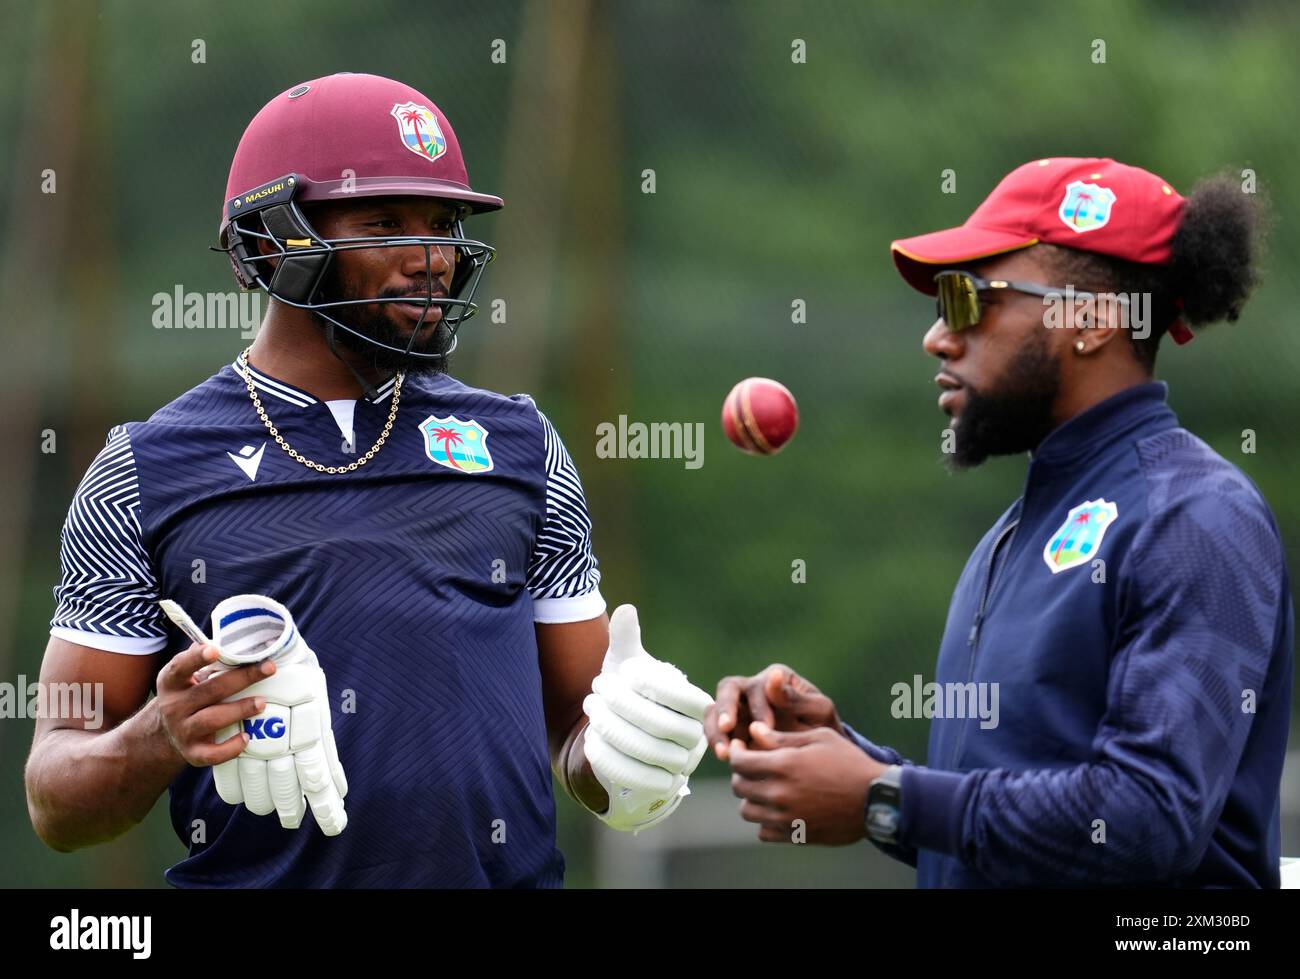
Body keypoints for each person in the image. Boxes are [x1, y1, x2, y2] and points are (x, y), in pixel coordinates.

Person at [26, 72, 711, 888]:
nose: (431, 257)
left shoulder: (520, 442)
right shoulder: (146, 470)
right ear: (275, 238)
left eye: (445, 224)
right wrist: (162, 733)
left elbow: (575, 734)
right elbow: (57, 800)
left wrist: (625, 763)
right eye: (386, 221)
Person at [707, 158, 1293, 887]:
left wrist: (882, 797)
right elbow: (1004, 832)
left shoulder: (1196, 514)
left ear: (1090, 320)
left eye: (964, 298)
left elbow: (1147, 818)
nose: (937, 337)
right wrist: (845, 756)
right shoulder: (1013, 533)